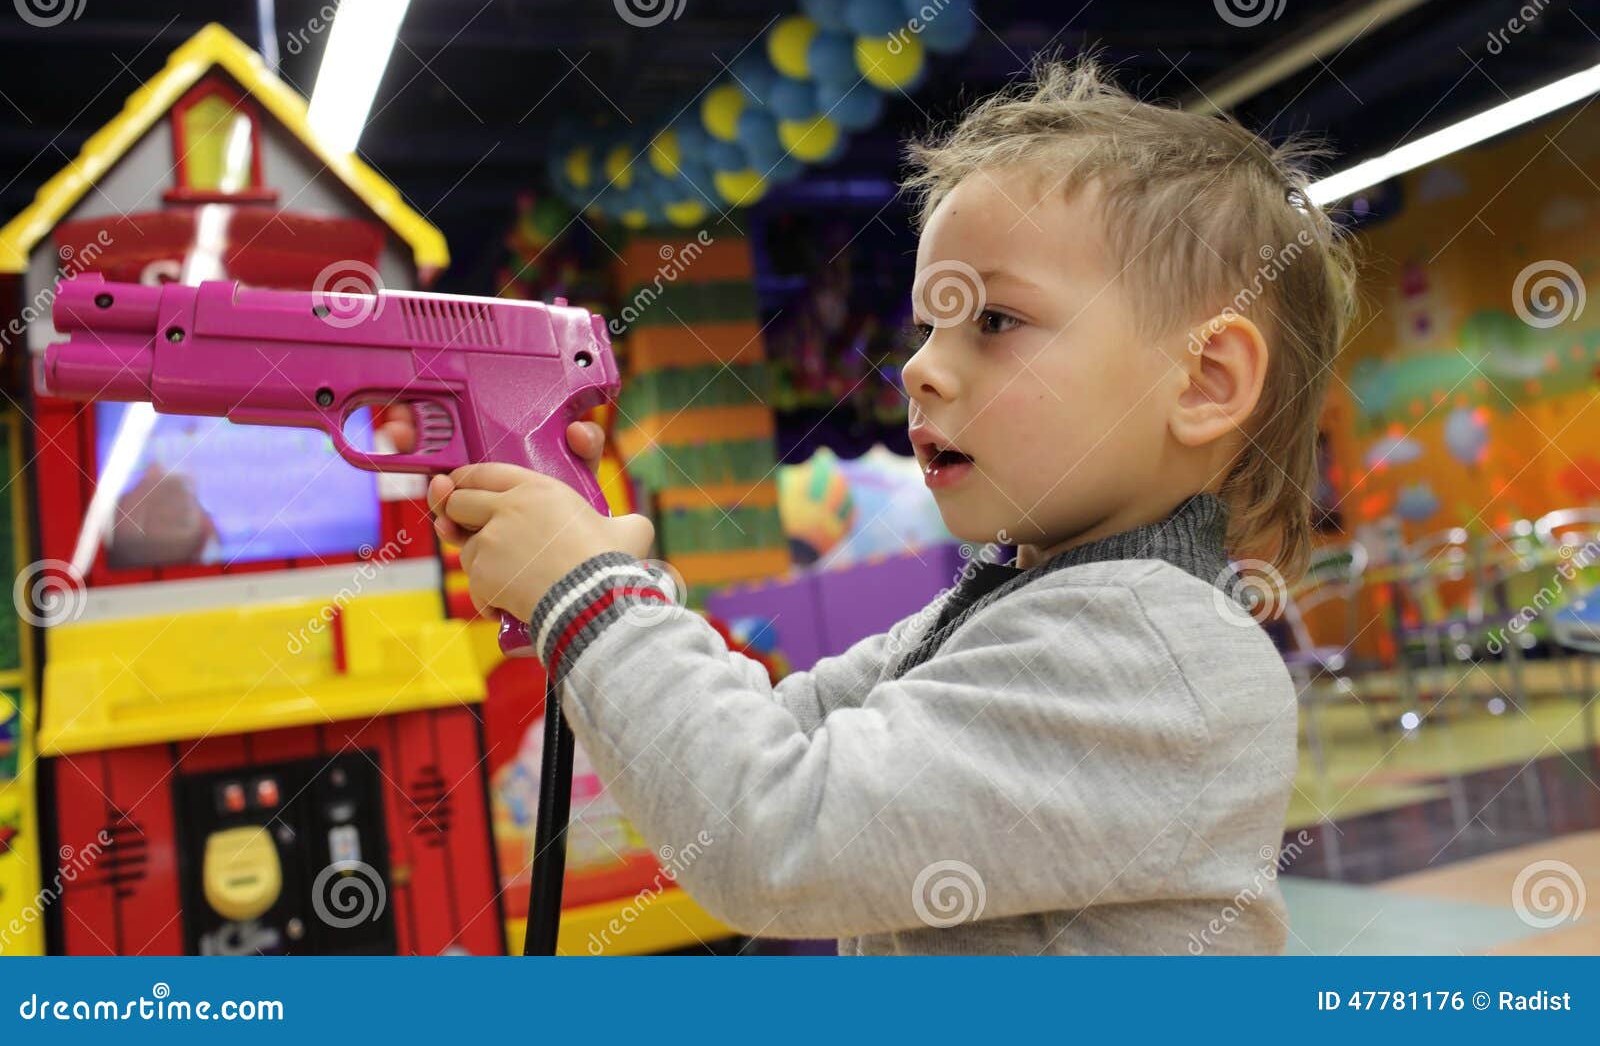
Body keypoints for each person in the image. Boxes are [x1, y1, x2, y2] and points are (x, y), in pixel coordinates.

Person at [430, 53, 1360, 954]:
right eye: (928, 325)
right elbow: (767, 738)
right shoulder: (1004, 614)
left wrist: (588, 595)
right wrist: (602, 584)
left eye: (995, 321)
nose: (916, 367)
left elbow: (768, 832)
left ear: (1203, 381)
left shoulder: (1154, 658)